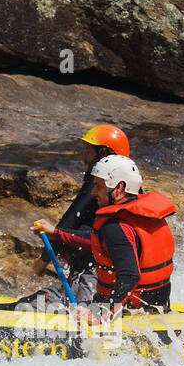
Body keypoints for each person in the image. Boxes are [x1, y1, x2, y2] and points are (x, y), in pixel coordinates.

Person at [31, 155, 175, 324]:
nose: (93, 193)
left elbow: (129, 276)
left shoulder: (115, 226)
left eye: (99, 187)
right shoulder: (144, 217)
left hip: (124, 315)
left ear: (119, 188)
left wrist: (100, 318)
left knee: (36, 303)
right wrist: (57, 233)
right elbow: (100, 243)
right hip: (155, 312)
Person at [40, 124, 131, 299]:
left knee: (31, 303)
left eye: (88, 151)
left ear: (103, 154)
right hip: (114, 276)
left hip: (98, 275)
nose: (83, 158)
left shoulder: (99, 184)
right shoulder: (130, 186)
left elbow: (70, 221)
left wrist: (43, 260)